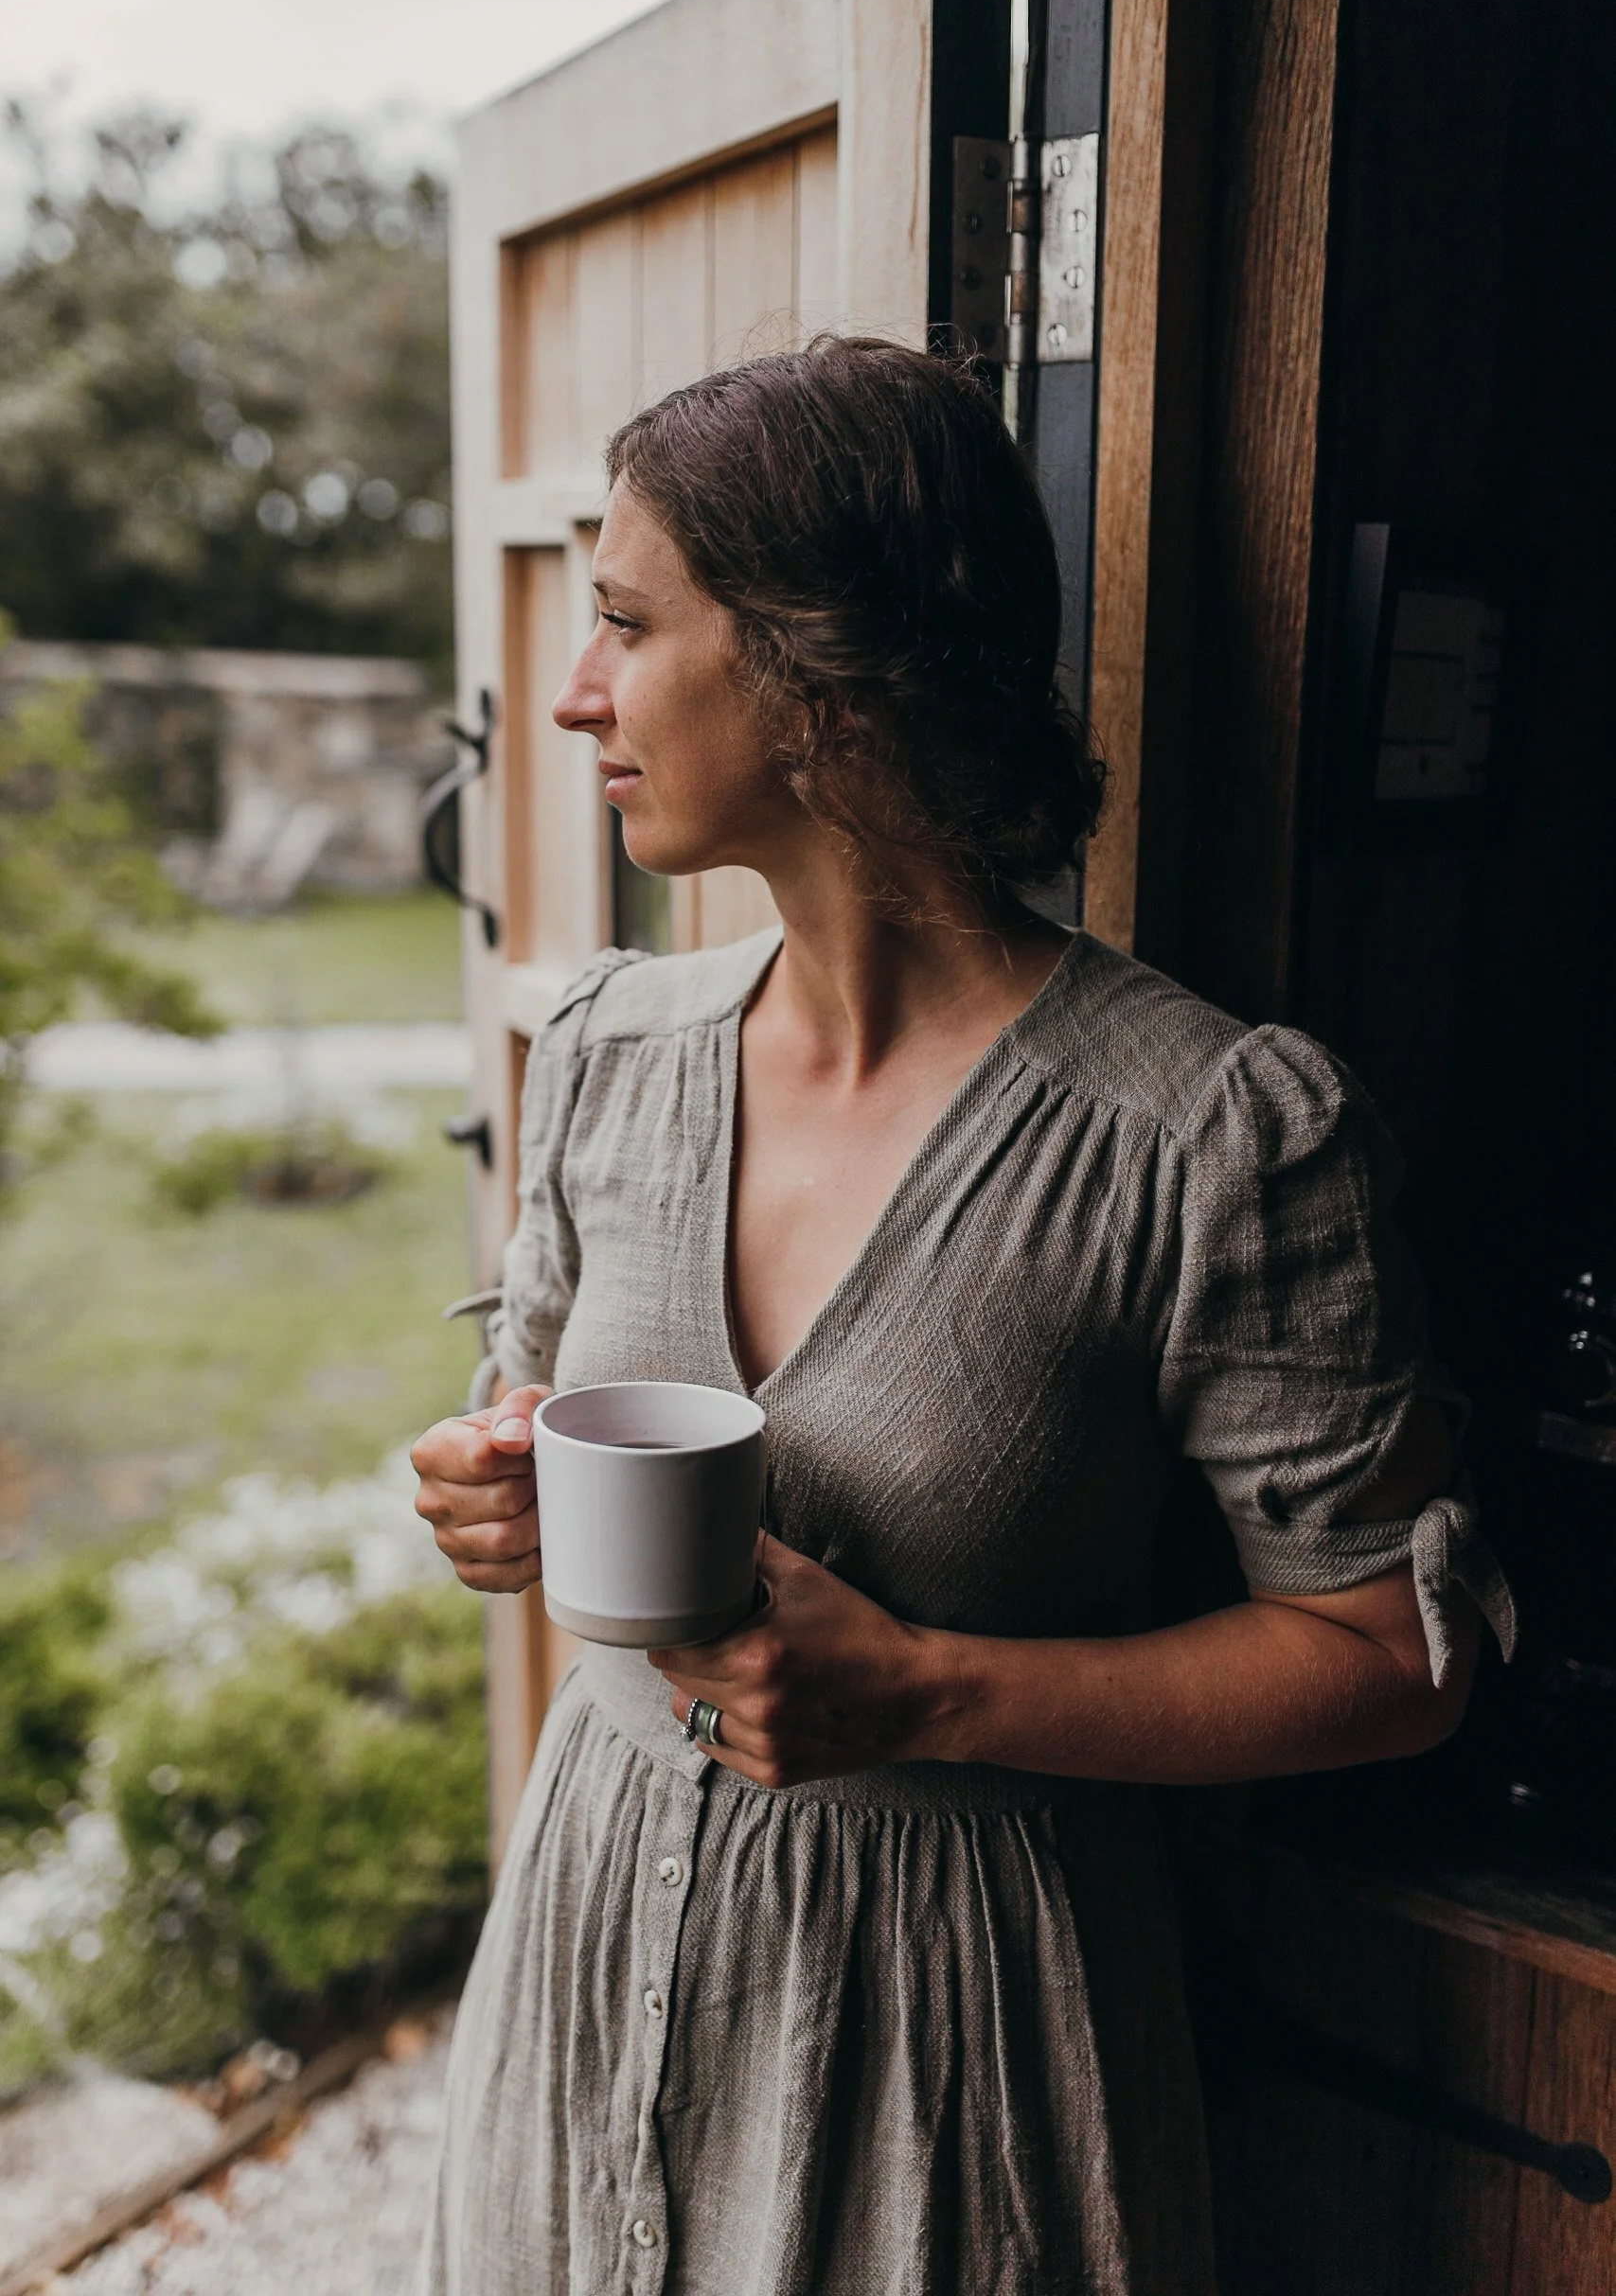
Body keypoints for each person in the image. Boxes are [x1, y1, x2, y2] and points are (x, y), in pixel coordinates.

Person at [409, 337, 1514, 2296]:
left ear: (817, 661)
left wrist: (931, 1686)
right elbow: (523, 1412)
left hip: (948, 2039)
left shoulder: (1213, 1133)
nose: (576, 691)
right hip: (586, 1955)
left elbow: (1391, 1650)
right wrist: (490, 1487)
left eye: (625, 622)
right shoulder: (603, 1049)